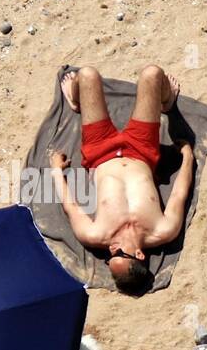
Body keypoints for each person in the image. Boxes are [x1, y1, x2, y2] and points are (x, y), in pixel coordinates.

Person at [48, 64, 193, 295]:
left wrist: (56, 170)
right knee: (152, 74)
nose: (111, 250)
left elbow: (70, 206)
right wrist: (188, 156)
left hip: (99, 152)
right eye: (118, 253)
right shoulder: (163, 229)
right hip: (142, 150)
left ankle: (75, 102)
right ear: (139, 255)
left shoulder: (95, 235)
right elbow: (179, 194)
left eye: (109, 258)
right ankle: (167, 101)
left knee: (87, 75)